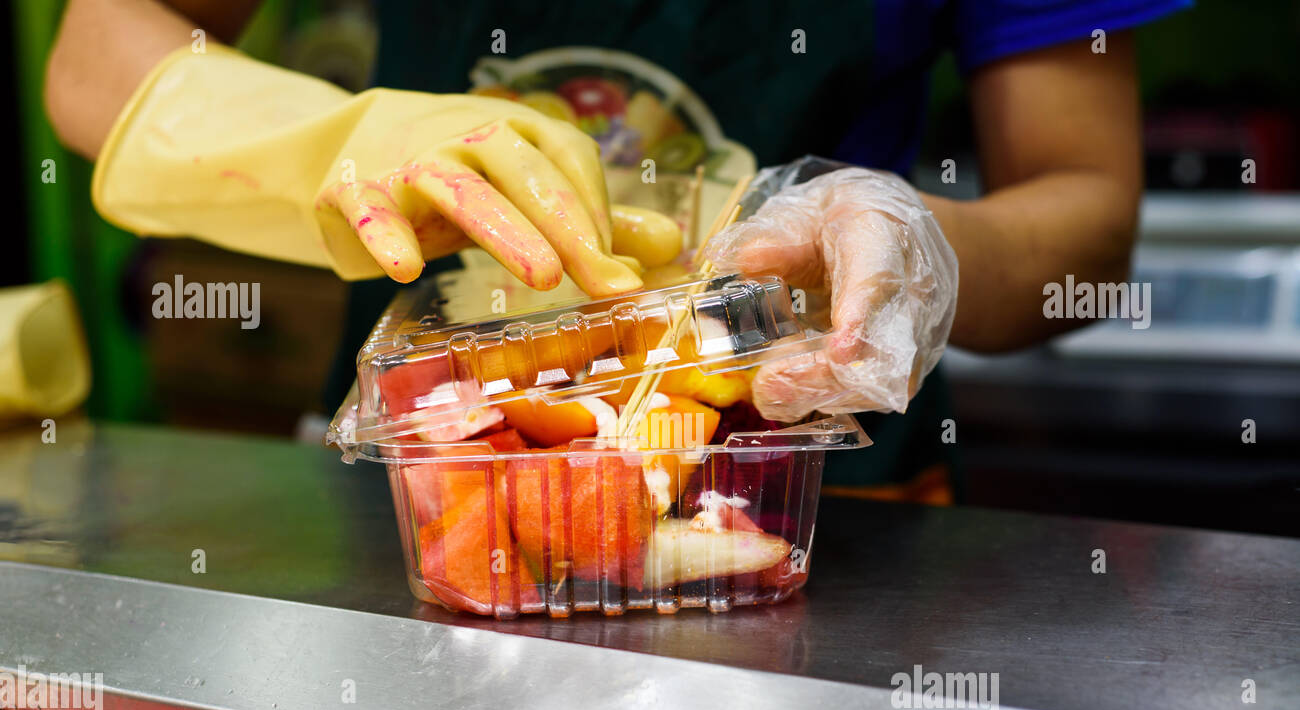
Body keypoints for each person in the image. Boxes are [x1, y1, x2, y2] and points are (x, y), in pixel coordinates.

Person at [44, 0, 1191, 496]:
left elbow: (1083, 213)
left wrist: (914, 246)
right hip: (435, 491)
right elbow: (99, 54)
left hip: (827, 515)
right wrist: (333, 140)